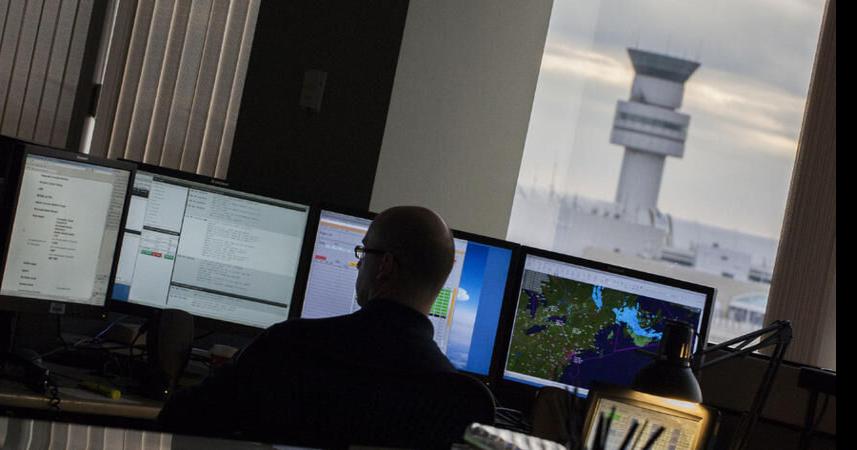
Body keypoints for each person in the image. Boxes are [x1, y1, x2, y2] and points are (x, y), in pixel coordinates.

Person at [158, 206, 459, 439]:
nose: (360, 262)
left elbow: (179, 416)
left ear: (385, 266)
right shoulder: (455, 396)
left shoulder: (290, 346)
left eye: (363, 252)